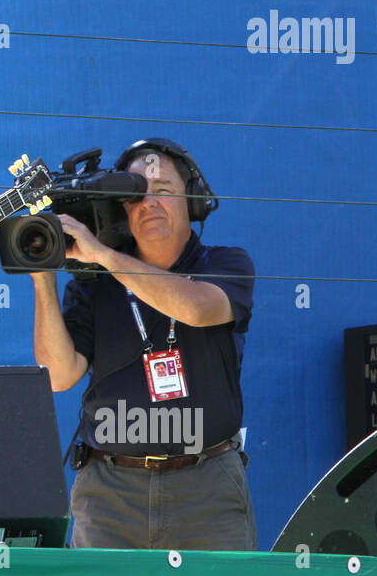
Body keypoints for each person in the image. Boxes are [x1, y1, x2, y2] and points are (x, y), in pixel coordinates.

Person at [30, 138, 256, 550]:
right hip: (109, 493)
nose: (150, 203)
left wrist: (102, 255)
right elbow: (58, 376)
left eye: (165, 191)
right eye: (135, 194)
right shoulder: (92, 283)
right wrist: (42, 276)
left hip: (207, 487)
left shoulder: (227, 263)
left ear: (194, 202)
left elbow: (197, 309)